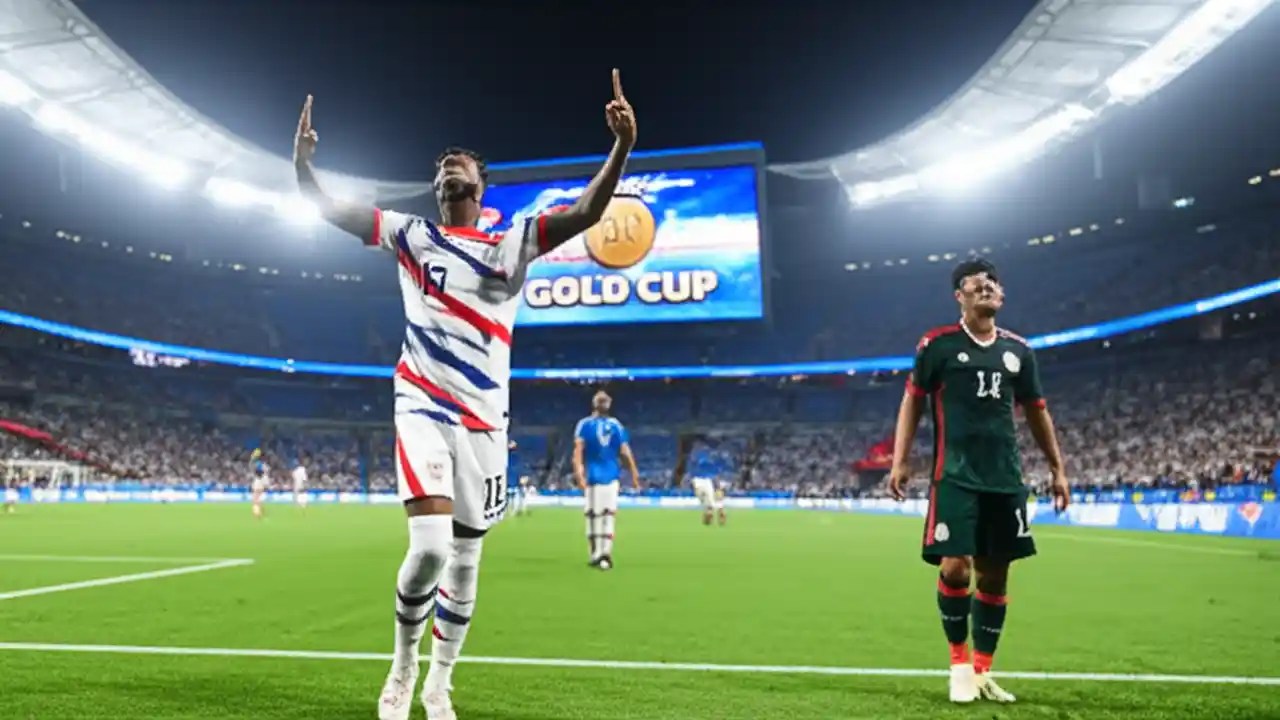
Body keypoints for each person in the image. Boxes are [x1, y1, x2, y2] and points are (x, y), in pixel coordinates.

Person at [294, 70, 637, 720]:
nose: (448, 169)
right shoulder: (410, 236)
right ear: (438, 188)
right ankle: (402, 667)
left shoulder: (515, 242)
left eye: (459, 165)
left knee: (466, 563)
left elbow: (589, 214)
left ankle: (440, 683)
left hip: (484, 424)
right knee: (428, 548)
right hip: (421, 403)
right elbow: (331, 212)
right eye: (441, 167)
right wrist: (304, 168)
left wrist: (621, 147)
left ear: (479, 186)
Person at [888, 258, 1070, 705]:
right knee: (955, 566)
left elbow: (1036, 410)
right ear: (960, 296)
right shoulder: (937, 345)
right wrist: (900, 459)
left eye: (993, 283)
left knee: (995, 575)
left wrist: (1057, 468)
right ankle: (959, 665)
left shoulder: (1019, 351)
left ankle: (984, 672)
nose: (986, 288)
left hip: (1005, 478)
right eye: (976, 284)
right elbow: (912, 400)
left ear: (1001, 296)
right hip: (954, 475)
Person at [573, 390, 640, 570]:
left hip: (593, 476)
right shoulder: (615, 425)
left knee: (593, 516)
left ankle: (598, 554)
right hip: (609, 476)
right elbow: (625, 451)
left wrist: (579, 473)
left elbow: (578, 451)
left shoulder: (584, 425)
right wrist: (634, 474)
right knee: (606, 515)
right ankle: (604, 554)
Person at [249, 449, 269, 519]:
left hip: (258, 481)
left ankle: (257, 514)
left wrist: (252, 459)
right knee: (258, 498)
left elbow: (257, 471)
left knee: (255, 498)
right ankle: (261, 512)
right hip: (262, 481)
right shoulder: (264, 464)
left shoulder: (258, 464)